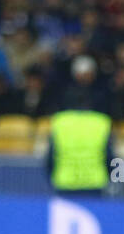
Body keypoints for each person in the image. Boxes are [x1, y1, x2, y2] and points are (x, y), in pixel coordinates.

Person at [46, 56, 114, 193]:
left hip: (64, 183)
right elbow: (113, 157)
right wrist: (117, 182)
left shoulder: (59, 121)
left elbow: (50, 157)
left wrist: (52, 178)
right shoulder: (102, 122)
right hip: (95, 184)